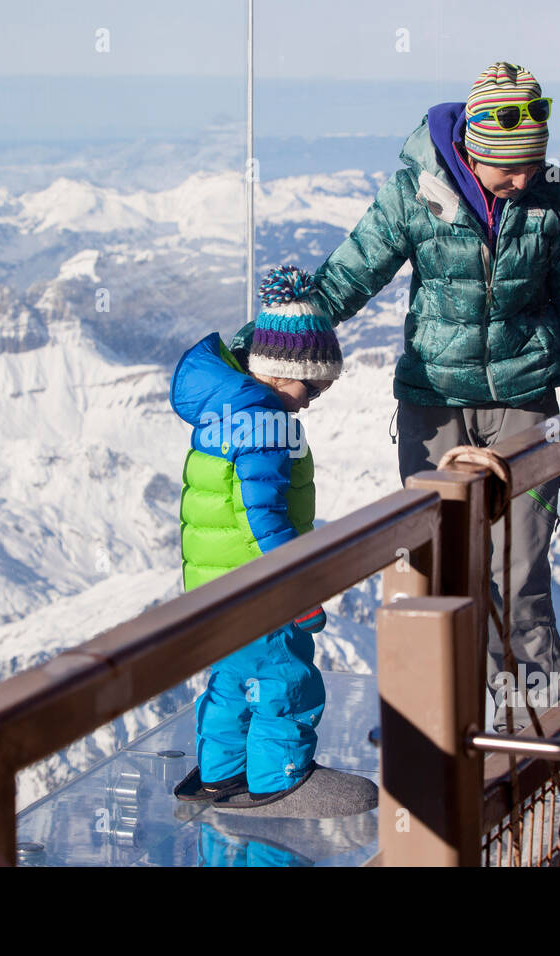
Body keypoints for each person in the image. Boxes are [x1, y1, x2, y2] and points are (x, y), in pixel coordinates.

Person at [233, 63, 560, 731]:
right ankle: (446, 715)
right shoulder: (415, 193)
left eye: (534, 163)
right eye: (510, 168)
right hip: (434, 404)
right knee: (438, 565)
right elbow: (348, 277)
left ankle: (543, 721)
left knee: (522, 565)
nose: (524, 178)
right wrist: (257, 346)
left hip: (525, 399)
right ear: (474, 150)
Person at [169, 265, 374, 810]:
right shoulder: (264, 423)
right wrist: (299, 591)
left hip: (217, 586)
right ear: (281, 373)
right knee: (284, 678)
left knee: (234, 682)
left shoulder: (230, 409)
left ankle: (222, 774)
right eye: (313, 386)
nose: (313, 400)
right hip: (260, 588)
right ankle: (281, 779)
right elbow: (266, 520)